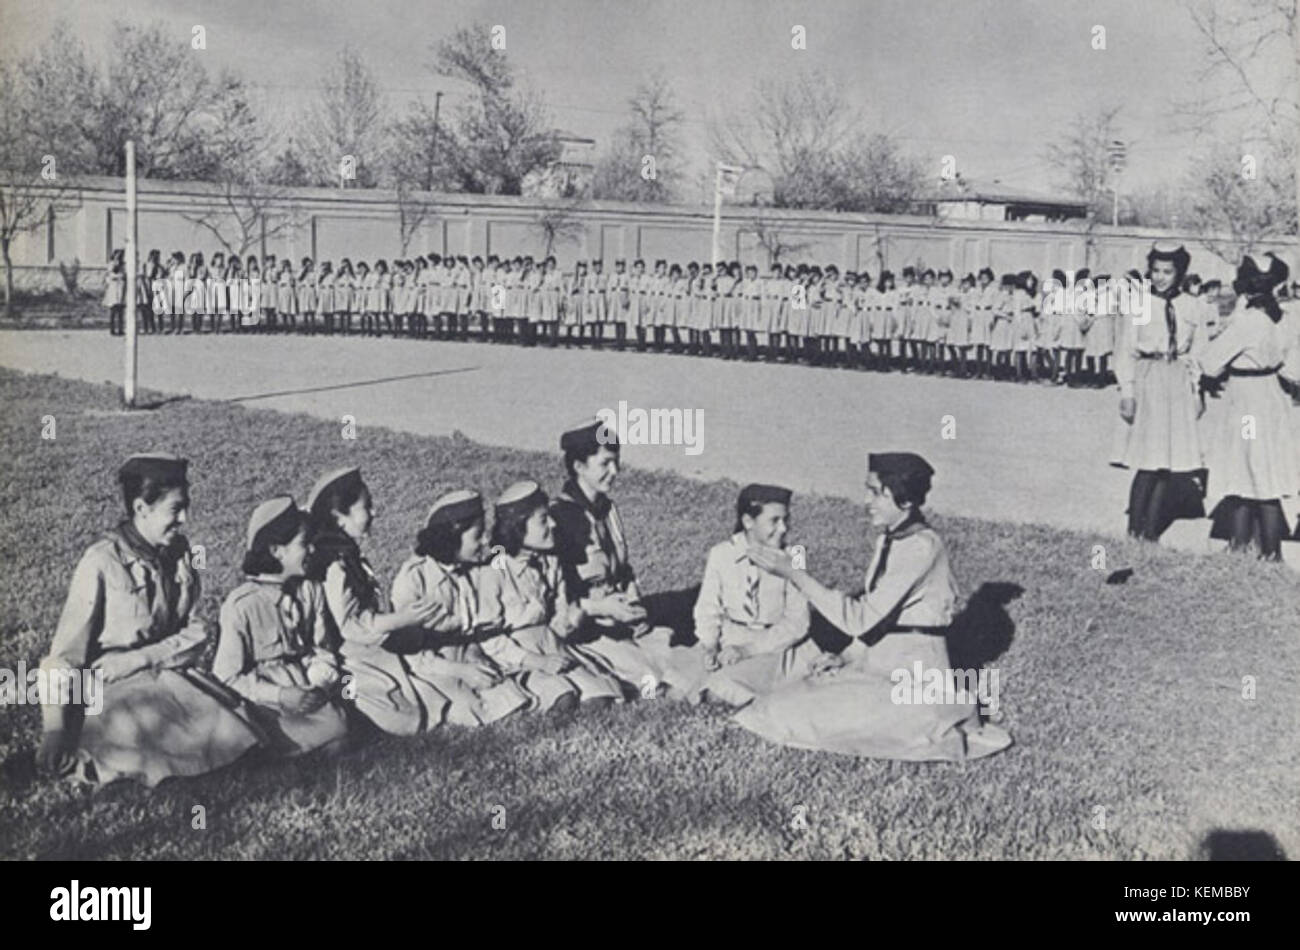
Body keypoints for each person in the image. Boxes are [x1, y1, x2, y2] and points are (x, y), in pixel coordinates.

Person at [735, 452, 1012, 762]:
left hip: (912, 675)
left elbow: (861, 620)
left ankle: (946, 713)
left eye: (876, 493)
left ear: (905, 501)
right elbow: (881, 619)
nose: (866, 500)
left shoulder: (921, 547)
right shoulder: (890, 539)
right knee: (783, 700)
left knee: (788, 713)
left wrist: (794, 574)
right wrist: (846, 656)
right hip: (881, 662)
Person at [37, 454, 262, 786]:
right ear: (142, 508)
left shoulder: (180, 552)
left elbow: (198, 631)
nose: (184, 518)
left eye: (185, 507)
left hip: (167, 673)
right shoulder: (100, 562)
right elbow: (62, 658)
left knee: (234, 734)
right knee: (156, 745)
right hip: (114, 690)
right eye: (175, 509)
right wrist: (54, 731)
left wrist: (140, 658)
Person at [549, 418, 695, 696]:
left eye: (616, 462)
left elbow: (622, 567)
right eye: (605, 464)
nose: (614, 471)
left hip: (620, 618)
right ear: (579, 467)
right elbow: (557, 597)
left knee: (677, 656)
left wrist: (632, 596)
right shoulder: (560, 518)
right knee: (652, 677)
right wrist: (601, 607)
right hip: (585, 627)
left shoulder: (608, 508)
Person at [306, 466, 448, 735]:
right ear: (338, 518)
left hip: (368, 647)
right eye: (366, 507)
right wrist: (404, 619)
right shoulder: (335, 566)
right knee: (406, 717)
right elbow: (351, 626)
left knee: (427, 695)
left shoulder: (348, 556)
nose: (374, 513)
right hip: (347, 654)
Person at [215, 496, 349, 755]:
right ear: (277, 551)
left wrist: (318, 682)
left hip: (306, 692)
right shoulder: (243, 605)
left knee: (339, 724)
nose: (311, 551)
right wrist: (281, 694)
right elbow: (227, 676)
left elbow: (321, 648)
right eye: (303, 544)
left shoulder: (310, 591)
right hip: (262, 700)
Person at [390, 490, 534, 723]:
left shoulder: (471, 571)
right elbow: (413, 655)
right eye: (477, 536)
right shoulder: (414, 579)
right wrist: (461, 671)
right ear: (452, 537)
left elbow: (476, 626)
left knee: (513, 698)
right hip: (431, 665)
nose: (486, 542)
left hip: (466, 653)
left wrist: (475, 656)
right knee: (471, 708)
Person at [480, 480, 624, 704]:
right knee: (562, 697)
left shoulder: (550, 561)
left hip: (553, 644)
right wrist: (536, 661)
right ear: (518, 528)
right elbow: (489, 639)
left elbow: (560, 607)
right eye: (543, 520)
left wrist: (565, 628)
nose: (554, 524)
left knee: (602, 695)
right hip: (516, 657)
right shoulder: (494, 571)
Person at [1199, 253, 1299, 560]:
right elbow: (1292, 369)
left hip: (1246, 401)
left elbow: (1210, 363)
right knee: (1260, 466)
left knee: (1247, 467)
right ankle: (1246, 544)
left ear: (1244, 286)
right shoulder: (1284, 317)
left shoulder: (1247, 322)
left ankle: (1264, 549)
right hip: (1270, 397)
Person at [688, 484, 823, 707]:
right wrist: (710, 646)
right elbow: (707, 608)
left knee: (718, 694)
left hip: (773, 645)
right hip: (729, 640)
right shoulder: (722, 554)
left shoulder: (794, 557)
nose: (783, 529)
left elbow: (798, 622)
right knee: (676, 686)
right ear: (748, 522)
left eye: (786, 520)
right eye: (774, 521)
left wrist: (747, 650)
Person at [1110, 243, 1209, 541]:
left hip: (1177, 379)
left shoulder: (1193, 306)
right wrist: (1127, 391)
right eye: (1156, 271)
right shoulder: (1139, 304)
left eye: (1168, 271)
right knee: (1147, 460)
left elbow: (1198, 352)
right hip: (1148, 378)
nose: (1161, 277)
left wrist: (1196, 391)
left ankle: (1151, 534)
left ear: (1180, 273)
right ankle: (1134, 530)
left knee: (1169, 461)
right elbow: (1125, 350)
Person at [103, 249, 126, 336]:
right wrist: (117, 275)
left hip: (120, 288)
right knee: (113, 310)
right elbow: (110, 275)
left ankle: (120, 329)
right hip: (113, 288)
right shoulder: (111, 264)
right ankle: (112, 329)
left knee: (121, 311)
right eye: (117, 255)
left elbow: (124, 274)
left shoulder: (123, 265)